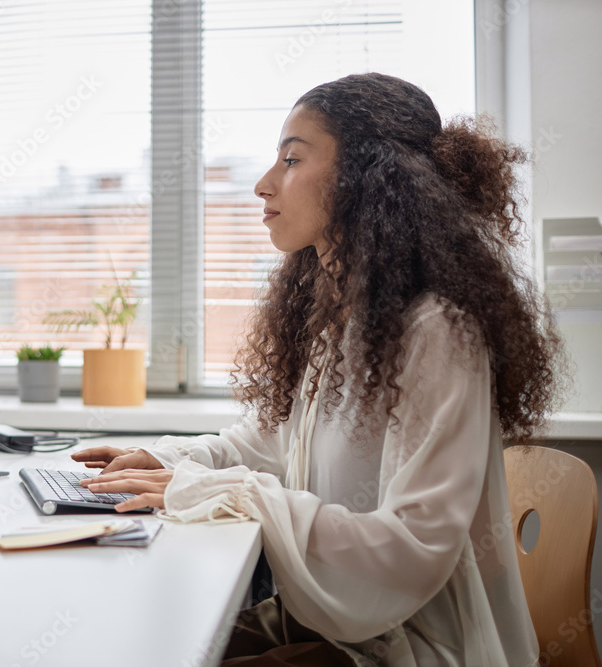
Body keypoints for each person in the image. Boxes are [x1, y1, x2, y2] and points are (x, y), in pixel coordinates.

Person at [71, 73, 564, 666]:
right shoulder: (345, 318)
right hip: (348, 632)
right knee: (138, 641)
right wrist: (172, 462)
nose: (263, 184)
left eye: (292, 159)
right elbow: (276, 446)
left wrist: (227, 493)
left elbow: (411, 546)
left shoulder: (439, 330)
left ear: (366, 178)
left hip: (419, 648)